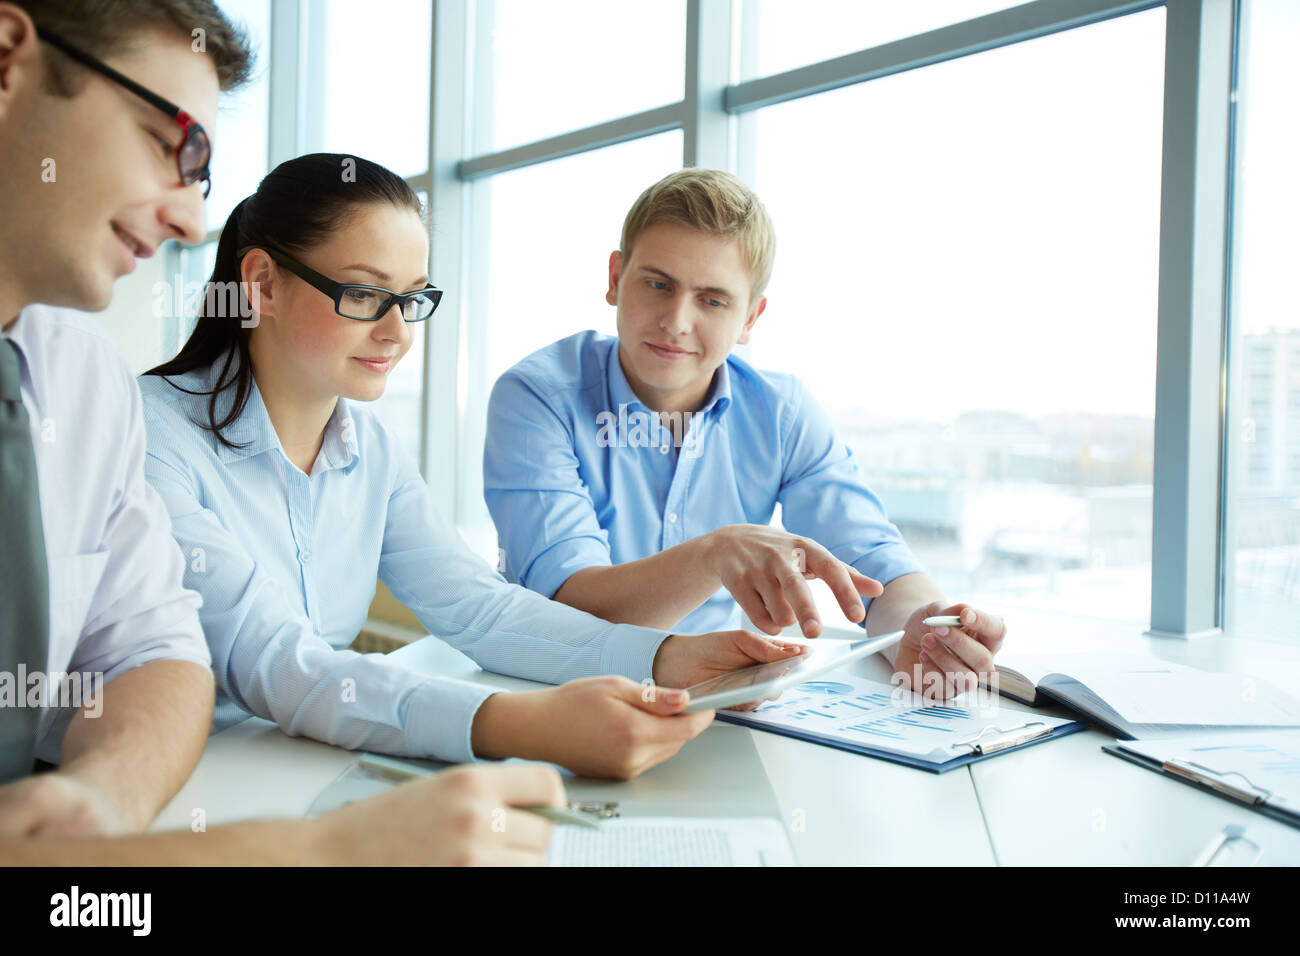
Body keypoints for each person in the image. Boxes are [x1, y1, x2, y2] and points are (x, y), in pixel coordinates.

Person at [0, 0, 559, 866]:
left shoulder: (81, 380)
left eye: (203, 174)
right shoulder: (157, 423)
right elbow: (269, 659)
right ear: (8, 59)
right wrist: (326, 853)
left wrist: (91, 809)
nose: (190, 220)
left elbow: (156, 650)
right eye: (166, 141)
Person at [137, 152, 804, 781]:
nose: (397, 332)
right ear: (262, 285)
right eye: (366, 296)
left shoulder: (371, 451)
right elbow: (278, 664)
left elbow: (477, 609)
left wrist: (669, 658)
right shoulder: (148, 434)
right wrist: (526, 725)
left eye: (413, 299)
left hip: (289, 765)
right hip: (167, 786)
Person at [484, 168, 1006, 700]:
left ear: (751, 316)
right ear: (616, 278)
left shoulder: (781, 412)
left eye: (712, 300)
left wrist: (925, 623)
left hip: (715, 703)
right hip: (550, 699)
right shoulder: (538, 397)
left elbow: (876, 564)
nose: (676, 321)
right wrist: (713, 554)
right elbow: (567, 609)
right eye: (658, 284)